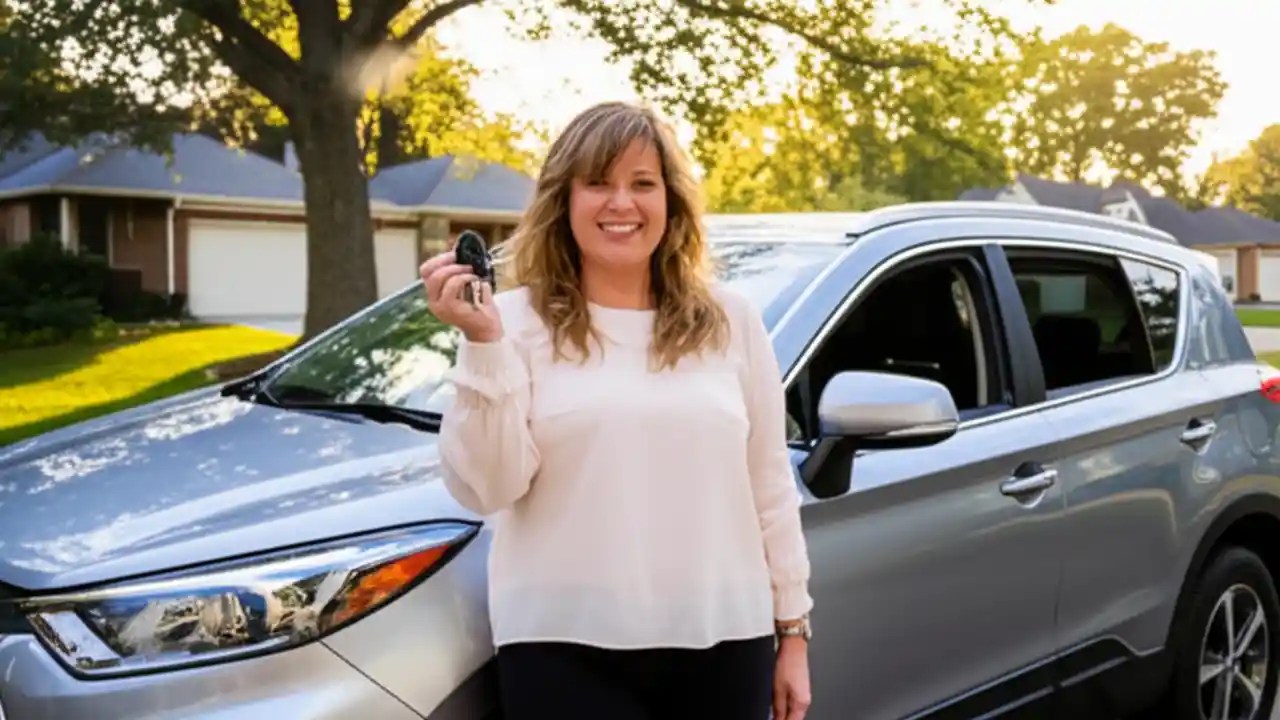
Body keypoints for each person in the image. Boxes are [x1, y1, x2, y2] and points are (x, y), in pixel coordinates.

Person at [420, 100, 814, 720]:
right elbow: (487, 486)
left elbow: (769, 484)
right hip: (562, 649)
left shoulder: (730, 320)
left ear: (671, 203)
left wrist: (793, 631)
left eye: (642, 184)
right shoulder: (511, 323)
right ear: (564, 201)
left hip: (724, 642)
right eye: (598, 182)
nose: (621, 203)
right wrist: (482, 344)